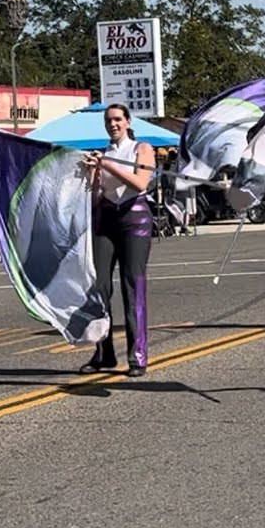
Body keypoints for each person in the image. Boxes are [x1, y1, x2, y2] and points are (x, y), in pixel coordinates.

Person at [78, 103, 156, 377]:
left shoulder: (141, 148)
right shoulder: (102, 153)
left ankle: (138, 356)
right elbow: (96, 195)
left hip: (134, 218)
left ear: (127, 121)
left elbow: (140, 183)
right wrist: (93, 175)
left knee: (132, 285)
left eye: (118, 119)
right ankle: (104, 353)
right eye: (109, 120)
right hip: (106, 219)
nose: (113, 124)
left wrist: (109, 165)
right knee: (98, 286)